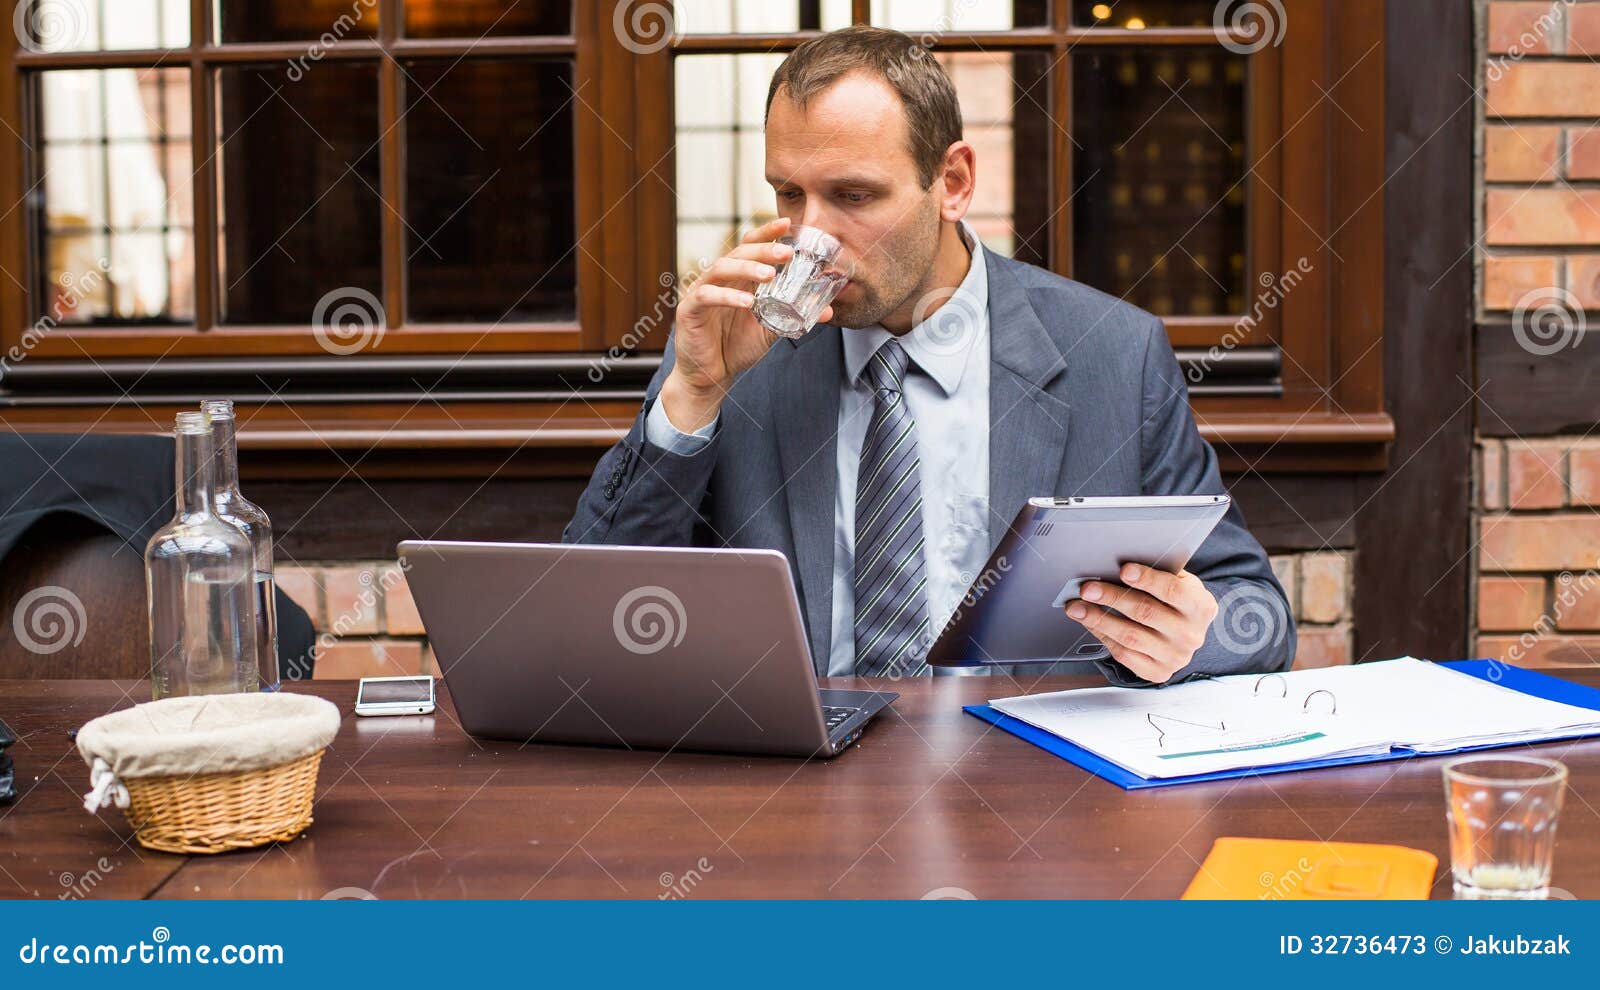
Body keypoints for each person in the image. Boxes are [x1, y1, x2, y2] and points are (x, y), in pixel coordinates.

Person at [566, 26, 1294, 686]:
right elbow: (593, 616)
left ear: (952, 183)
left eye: (852, 194)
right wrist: (691, 395)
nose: (809, 236)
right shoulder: (734, 358)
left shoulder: (1113, 355)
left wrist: (1185, 639)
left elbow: (1255, 616)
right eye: (789, 194)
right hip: (792, 799)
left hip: (1031, 801)